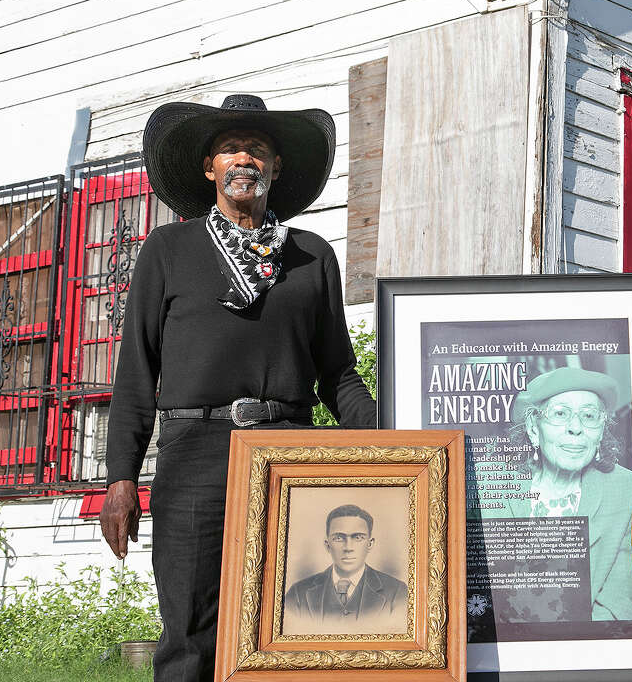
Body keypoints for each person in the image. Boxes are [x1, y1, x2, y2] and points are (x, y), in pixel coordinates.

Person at [99, 95, 376, 682]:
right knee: (190, 633)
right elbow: (136, 373)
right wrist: (121, 478)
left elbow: (339, 375)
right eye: (230, 149)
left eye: (257, 150)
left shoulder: (311, 257)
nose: (244, 159)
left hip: (291, 452)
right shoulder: (168, 250)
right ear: (210, 168)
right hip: (195, 455)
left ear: (276, 167)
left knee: (292, 624)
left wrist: (395, 439)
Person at [502, 367, 632, 622]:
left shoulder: (628, 490)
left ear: (601, 431)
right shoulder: (493, 486)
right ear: (533, 428)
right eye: (560, 413)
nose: (576, 427)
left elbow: (618, 606)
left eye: (589, 416)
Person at [283, 504, 408, 634]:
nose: (348, 548)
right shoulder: (298, 593)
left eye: (358, 537)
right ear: (327, 545)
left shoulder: (397, 592)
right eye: (338, 538)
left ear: (370, 544)